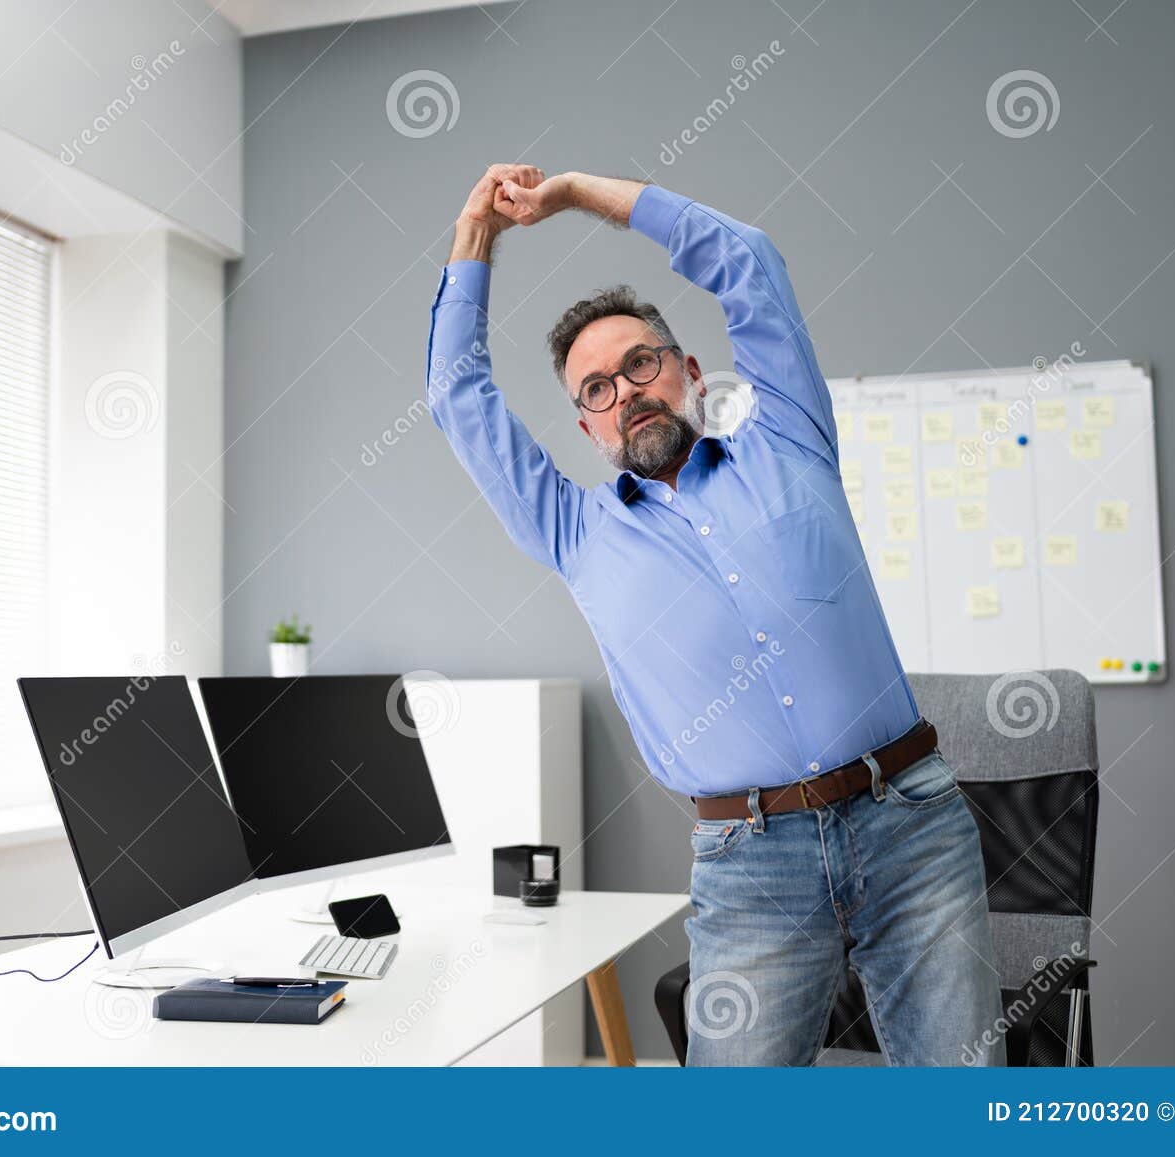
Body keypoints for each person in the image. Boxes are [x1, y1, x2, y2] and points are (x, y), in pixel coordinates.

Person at [425, 164, 1005, 1066]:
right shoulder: (573, 531)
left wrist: (574, 194)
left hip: (912, 827)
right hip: (751, 864)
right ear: (587, 428)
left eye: (640, 363)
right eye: (596, 389)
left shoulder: (791, 441)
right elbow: (457, 399)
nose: (626, 392)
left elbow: (748, 261)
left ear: (689, 372)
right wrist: (476, 237)